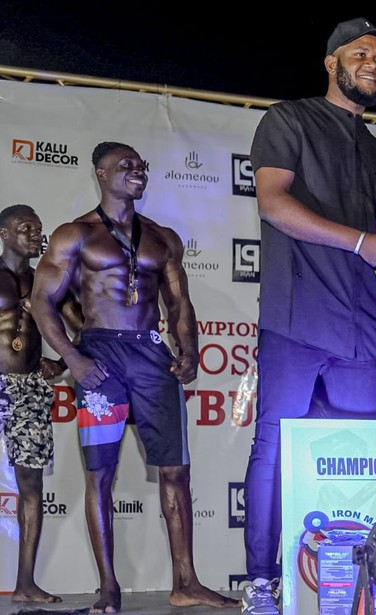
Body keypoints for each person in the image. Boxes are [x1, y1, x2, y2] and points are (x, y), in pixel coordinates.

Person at [241, 17, 376, 615]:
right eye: (360, 54)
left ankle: (347, 583)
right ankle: (261, 581)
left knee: (354, 456)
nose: (373, 65)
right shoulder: (288, 119)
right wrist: (362, 243)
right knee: (275, 447)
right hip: (297, 314)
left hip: (363, 326)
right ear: (331, 62)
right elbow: (273, 204)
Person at [29, 142, 239, 613]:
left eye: (141, 165)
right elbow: (42, 300)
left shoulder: (162, 238)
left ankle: (186, 582)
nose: (137, 170)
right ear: (101, 174)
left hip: (149, 354)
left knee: (176, 470)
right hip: (100, 356)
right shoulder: (75, 234)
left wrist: (190, 351)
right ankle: (108, 588)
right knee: (100, 473)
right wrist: (72, 358)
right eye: (125, 165)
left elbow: (179, 303)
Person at [0, 204, 81, 604]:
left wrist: (62, 363)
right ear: (4, 233)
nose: (34, 233)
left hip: (28, 386)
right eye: (24, 227)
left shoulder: (46, 282)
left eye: (37, 228)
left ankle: (25, 584)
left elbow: (84, 326)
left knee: (30, 484)